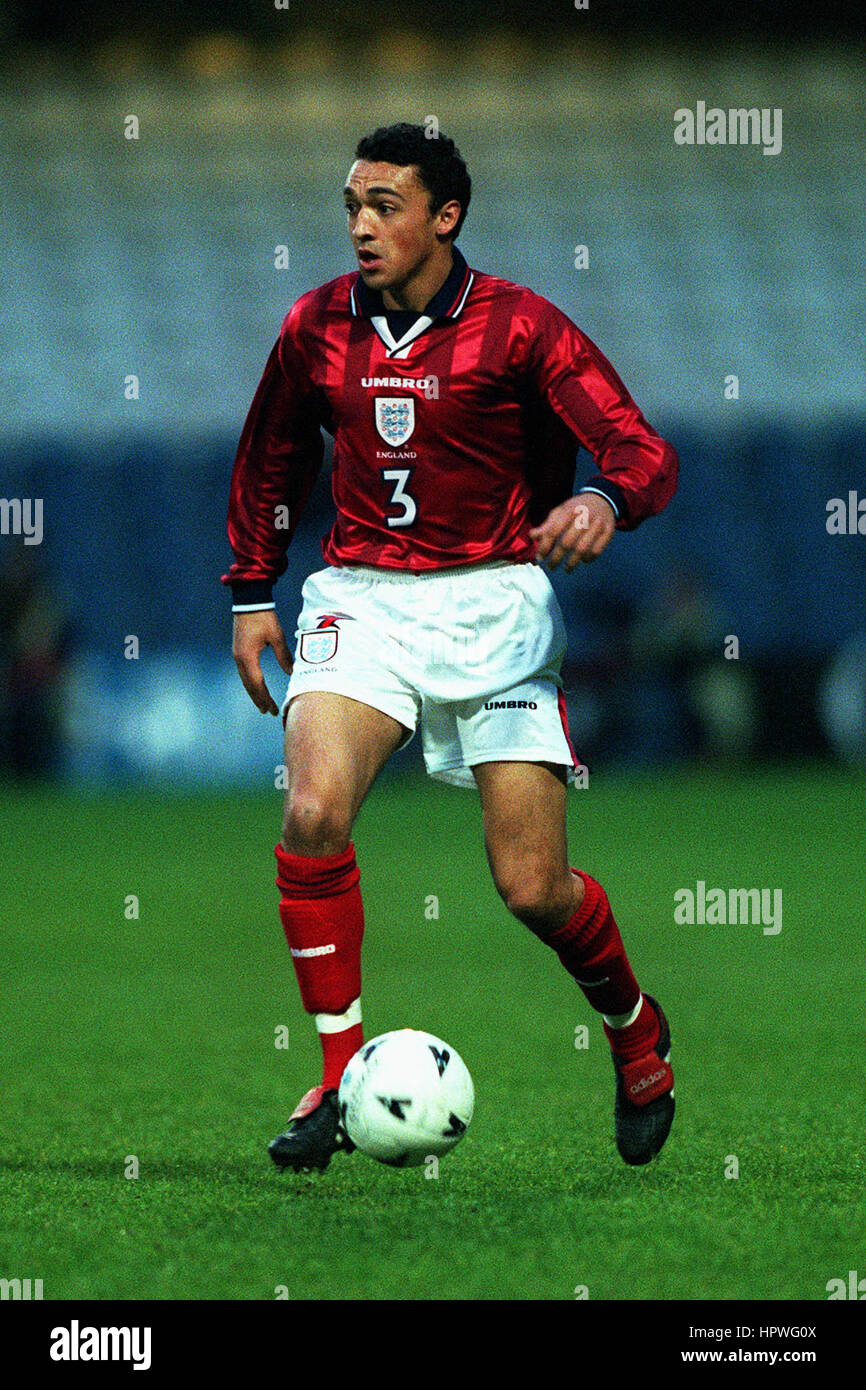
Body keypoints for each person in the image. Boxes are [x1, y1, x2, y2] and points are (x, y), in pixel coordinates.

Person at [222, 123, 679, 1171]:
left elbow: (635, 446)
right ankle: (339, 1077)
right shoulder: (313, 327)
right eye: (350, 204)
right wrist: (252, 590)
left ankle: (633, 1026)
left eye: (383, 203)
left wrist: (603, 500)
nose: (360, 224)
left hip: (494, 608)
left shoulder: (519, 329)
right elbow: (270, 458)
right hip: (363, 602)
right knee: (309, 810)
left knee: (531, 887)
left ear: (444, 216)